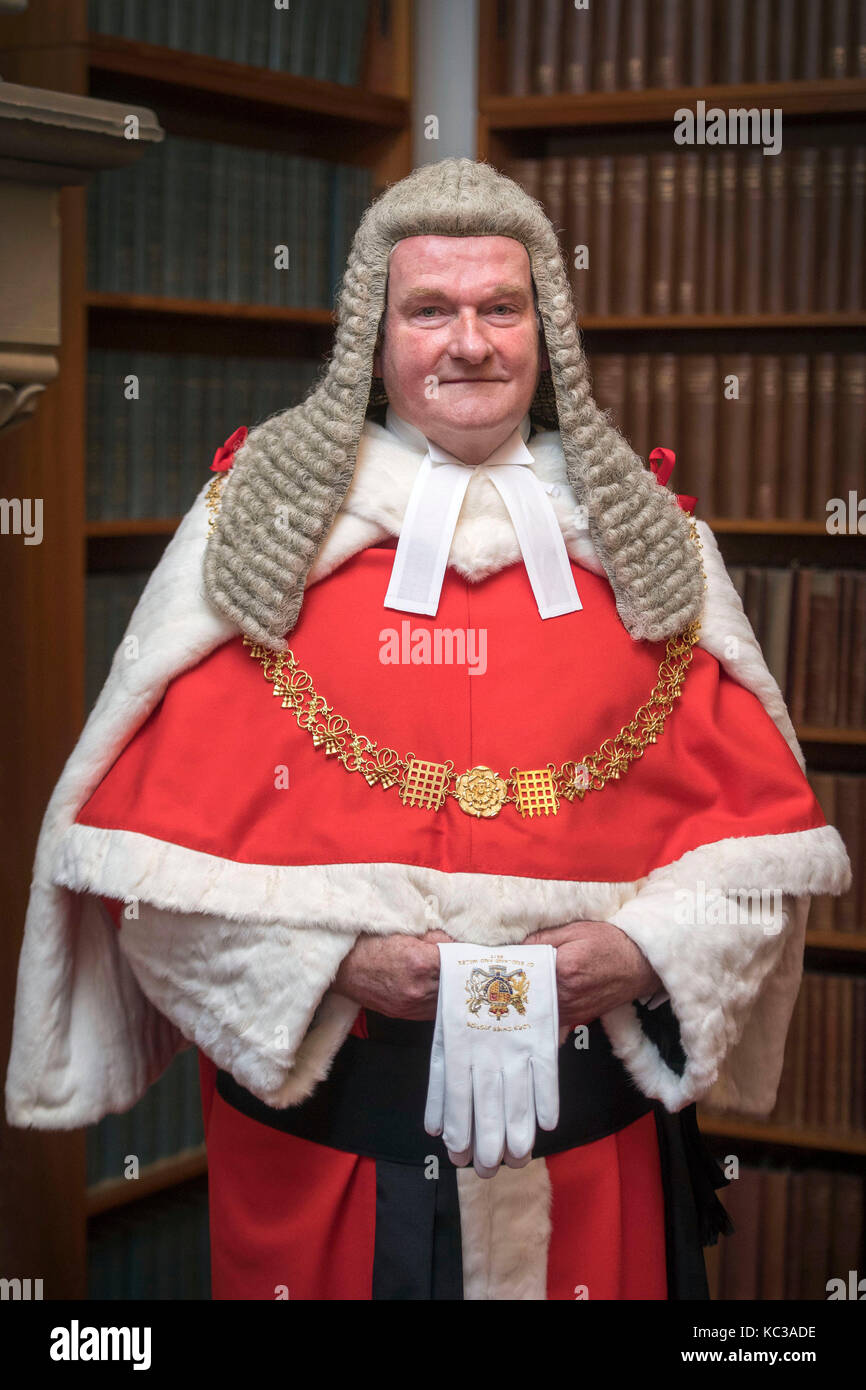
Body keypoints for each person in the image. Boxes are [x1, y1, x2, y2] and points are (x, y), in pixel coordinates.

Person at [5, 158, 851, 1301]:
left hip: (593, 1149)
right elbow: (143, 881)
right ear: (372, 332)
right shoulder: (247, 537)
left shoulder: (650, 543)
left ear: (542, 327)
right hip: (330, 1155)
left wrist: (647, 950)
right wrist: (333, 963)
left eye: (499, 308)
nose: (468, 343)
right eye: (429, 310)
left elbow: (761, 859)